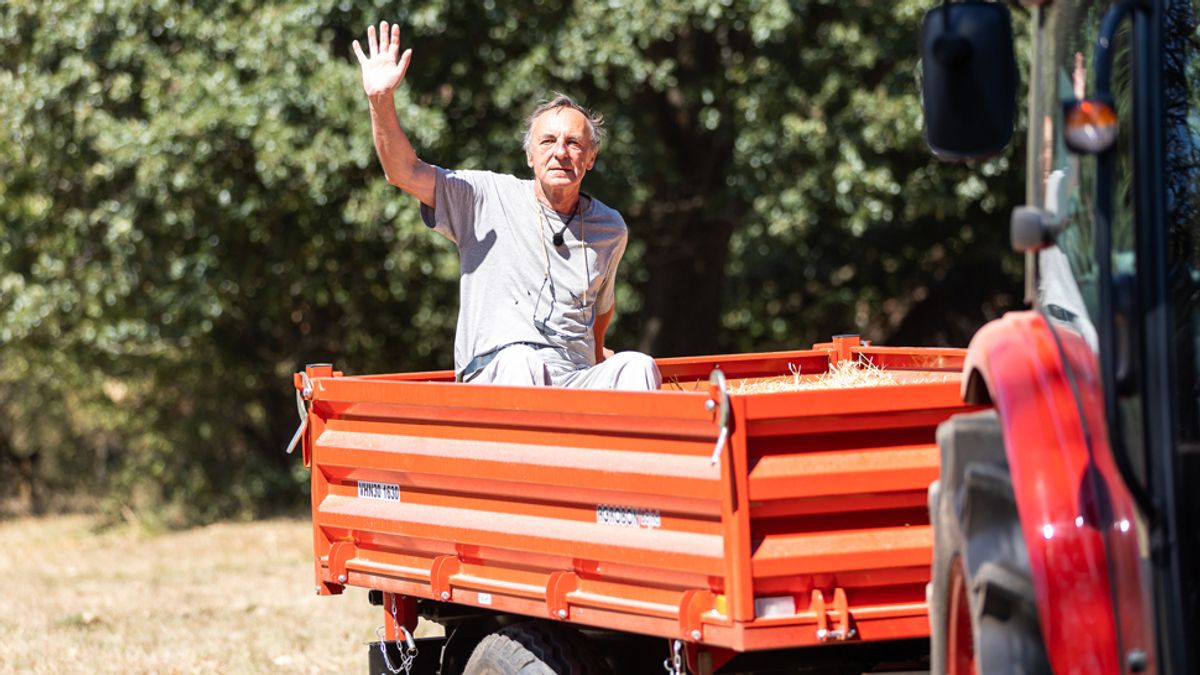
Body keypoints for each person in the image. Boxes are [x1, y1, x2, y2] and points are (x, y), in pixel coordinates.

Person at [353, 21, 661, 390]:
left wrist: (600, 359)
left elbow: (599, 314)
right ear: (530, 156)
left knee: (638, 365)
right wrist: (380, 99)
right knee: (523, 361)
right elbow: (403, 171)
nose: (560, 152)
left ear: (591, 157)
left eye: (574, 143)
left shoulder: (609, 227)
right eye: (547, 141)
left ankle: (625, 447)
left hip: (573, 377)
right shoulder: (485, 196)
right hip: (499, 371)